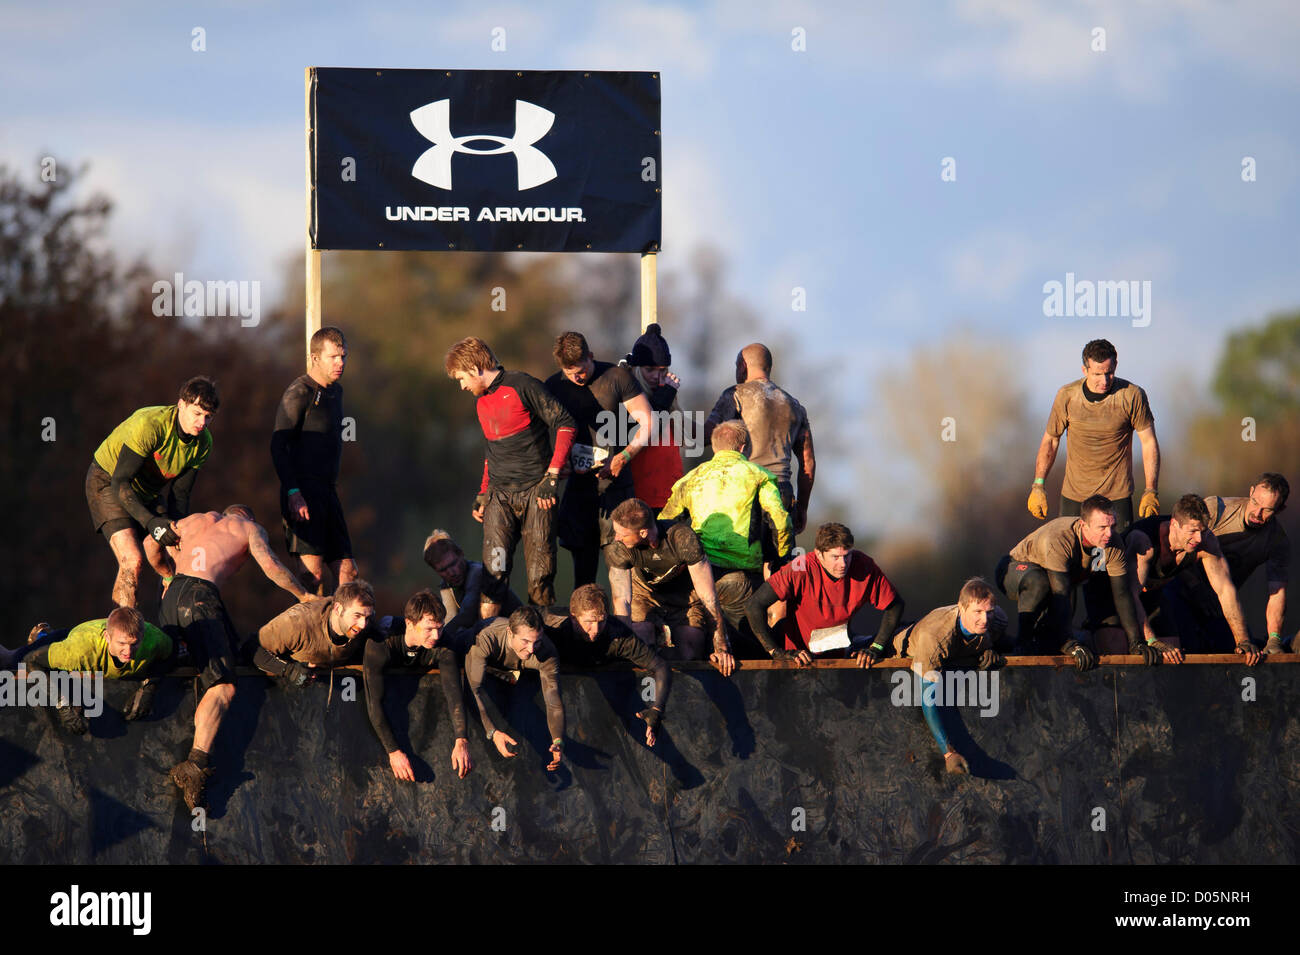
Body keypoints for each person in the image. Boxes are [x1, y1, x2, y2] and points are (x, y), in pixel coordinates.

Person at [158, 504, 314, 810]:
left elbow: (153, 540)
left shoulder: (194, 521)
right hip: (200, 597)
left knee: (220, 652)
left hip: (172, 595)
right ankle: (196, 762)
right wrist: (304, 596)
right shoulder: (247, 528)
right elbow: (271, 567)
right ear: (245, 516)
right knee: (224, 686)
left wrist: (167, 574)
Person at [444, 337, 577, 607]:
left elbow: (566, 423)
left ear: (474, 368)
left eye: (461, 378)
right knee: (493, 574)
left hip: (537, 493)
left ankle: (541, 641)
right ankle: (490, 639)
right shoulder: (481, 402)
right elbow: (491, 451)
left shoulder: (523, 385)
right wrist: (483, 493)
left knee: (540, 577)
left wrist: (552, 476)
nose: (462, 385)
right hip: (499, 496)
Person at [660, 420, 794, 656]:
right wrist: (782, 558)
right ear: (743, 448)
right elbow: (780, 519)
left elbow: (665, 524)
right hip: (740, 578)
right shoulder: (759, 475)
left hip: (697, 576)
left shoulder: (690, 479)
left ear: (714, 447)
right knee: (750, 650)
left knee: (699, 648)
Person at [86, 376, 219, 607]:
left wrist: (175, 536)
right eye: (197, 413)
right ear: (181, 405)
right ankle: (123, 634)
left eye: (208, 417)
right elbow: (120, 482)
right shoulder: (150, 424)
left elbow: (180, 496)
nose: (202, 422)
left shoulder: (203, 443)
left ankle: (174, 615)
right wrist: (151, 522)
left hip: (146, 490)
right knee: (133, 560)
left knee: (173, 554)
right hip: (108, 481)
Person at [1088, 495, 1262, 664]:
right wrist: (1151, 641)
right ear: (1174, 525)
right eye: (1192, 531)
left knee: (1173, 656)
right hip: (1114, 592)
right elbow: (1130, 595)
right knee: (1117, 659)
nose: (1198, 539)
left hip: (1150, 595)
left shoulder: (1206, 542)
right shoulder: (1144, 542)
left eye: (1202, 531)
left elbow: (1226, 591)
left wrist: (1243, 641)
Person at [545, 331, 655, 586]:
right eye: (570, 372)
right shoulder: (553, 386)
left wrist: (623, 456)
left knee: (621, 563)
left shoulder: (617, 377)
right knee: (582, 570)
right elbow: (538, 433)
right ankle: (585, 623)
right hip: (578, 488)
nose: (576, 377)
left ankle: (626, 621)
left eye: (581, 370)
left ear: (590, 357)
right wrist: (556, 463)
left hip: (616, 484)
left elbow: (648, 423)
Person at [995, 495, 1153, 668]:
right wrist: (1069, 643)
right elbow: (1061, 594)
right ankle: (1022, 644)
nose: (1108, 533)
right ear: (1083, 525)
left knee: (1051, 634)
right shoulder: (1061, 538)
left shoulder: (1110, 544)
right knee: (1040, 583)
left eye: (1112, 526)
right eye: (1102, 527)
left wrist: (1136, 641)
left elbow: (1122, 594)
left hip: (1056, 582)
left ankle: (1041, 643)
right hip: (1014, 569)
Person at [1029, 339, 1159, 529]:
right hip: (1075, 497)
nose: (1104, 381)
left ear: (1116, 366)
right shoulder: (1067, 396)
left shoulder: (1132, 395)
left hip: (1117, 497)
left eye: (1109, 373)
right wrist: (1038, 485)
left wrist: (1151, 490)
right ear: (1085, 370)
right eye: (1097, 374)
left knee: (1118, 555)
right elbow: (1051, 440)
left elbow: (1149, 443)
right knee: (1070, 555)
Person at [886, 578, 1010, 774]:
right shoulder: (935, 638)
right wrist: (948, 753)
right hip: (902, 644)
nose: (985, 619)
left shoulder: (997, 619)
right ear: (961, 608)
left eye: (989, 612)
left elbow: (998, 638)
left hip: (950, 648)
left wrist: (991, 650)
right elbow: (928, 700)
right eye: (977, 612)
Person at [271, 326, 358, 595]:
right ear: (315, 358)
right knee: (313, 575)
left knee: (348, 571)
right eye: (333, 357)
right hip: (301, 493)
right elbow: (277, 446)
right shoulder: (298, 393)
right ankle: (312, 632)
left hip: (327, 493)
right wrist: (293, 492)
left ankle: (345, 632)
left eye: (343, 356)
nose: (340, 363)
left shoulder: (336, 392)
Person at [745, 522, 904, 666]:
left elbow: (895, 605)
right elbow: (753, 606)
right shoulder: (800, 568)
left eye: (847, 556)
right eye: (835, 557)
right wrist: (776, 652)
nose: (843, 564)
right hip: (800, 660)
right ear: (819, 554)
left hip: (843, 655)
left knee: (902, 631)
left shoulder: (864, 565)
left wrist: (876, 647)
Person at [607, 498, 735, 676]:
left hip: (685, 595)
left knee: (690, 649)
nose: (616, 538)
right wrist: (623, 646)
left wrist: (721, 645)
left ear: (643, 533)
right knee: (641, 639)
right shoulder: (618, 548)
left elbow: (708, 596)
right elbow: (621, 600)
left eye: (622, 534)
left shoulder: (682, 538)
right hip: (645, 593)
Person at [704, 343, 816, 534]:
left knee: (739, 559)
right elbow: (808, 463)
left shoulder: (736, 395)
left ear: (742, 366)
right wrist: (802, 508)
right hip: (781, 492)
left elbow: (704, 437)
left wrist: (672, 409)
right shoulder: (794, 405)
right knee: (778, 561)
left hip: (744, 489)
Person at [363, 590, 474, 782]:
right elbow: (374, 703)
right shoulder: (381, 642)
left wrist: (461, 739)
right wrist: (393, 751)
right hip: (382, 705)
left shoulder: (444, 642)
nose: (436, 635)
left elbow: (453, 693)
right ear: (409, 623)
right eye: (429, 628)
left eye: (440, 628)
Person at [544, 584, 671, 746]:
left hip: (604, 699)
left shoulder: (618, 635)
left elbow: (661, 666)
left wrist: (657, 710)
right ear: (574, 618)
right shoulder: (554, 631)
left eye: (601, 621)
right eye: (589, 622)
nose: (596, 629)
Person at [21, 607, 173, 734]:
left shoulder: (154, 639)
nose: (128, 651)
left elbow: (173, 655)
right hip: (78, 638)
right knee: (18, 657)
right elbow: (31, 660)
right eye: (122, 643)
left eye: (134, 644)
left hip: (103, 642)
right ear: (107, 637)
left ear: (142, 637)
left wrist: (149, 687)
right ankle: (42, 636)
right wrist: (63, 705)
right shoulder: (80, 652)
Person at [1188, 475, 1289, 654]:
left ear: (1280, 510)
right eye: (1255, 502)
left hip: (1221, 604)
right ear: (1250, 492)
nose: (1257, 513)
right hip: (1181, 589)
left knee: (1245, 652)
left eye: (1267, 510)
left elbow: (1277, 593)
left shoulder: (1277, 541)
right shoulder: (1215, 509)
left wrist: (1274, 639)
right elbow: (1177, 550)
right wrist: (1195, 586)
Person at [465, 606, 565, 772]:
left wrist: (558, 741)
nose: (532, 650)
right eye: (525, 641)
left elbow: (554, 702)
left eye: (537, 641)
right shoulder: (487, 639)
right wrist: (493, 731)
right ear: (510, 633)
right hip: (469, 650)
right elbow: (475, 690)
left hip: (508, 671)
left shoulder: (546, 650)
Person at [250, 580, 377, 683]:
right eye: (357, 616)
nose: (363, 624)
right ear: (338, 609)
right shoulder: (298, 623)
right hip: (275, 695)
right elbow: (251, 648)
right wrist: (289, 670)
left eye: (367, 617)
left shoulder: (366, 629)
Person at [622, 323, 685, 515]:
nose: (657, 376)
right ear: (637, 369)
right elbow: (643, 427)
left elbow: (686, 438)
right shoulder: (625, 395)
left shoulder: (668, 394)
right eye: (650, 369)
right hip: (639, 497)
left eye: (663, 370)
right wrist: (666, 395)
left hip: (670, 494)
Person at [422, 529, 521, 636]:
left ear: (461, 554)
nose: (452, 572)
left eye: (453, 563)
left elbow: (466, 615)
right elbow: (450, 618)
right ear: (435, 570)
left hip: (516, 631)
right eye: (443, 570)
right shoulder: (446, 586)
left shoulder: (477, 572)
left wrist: (439, 637)